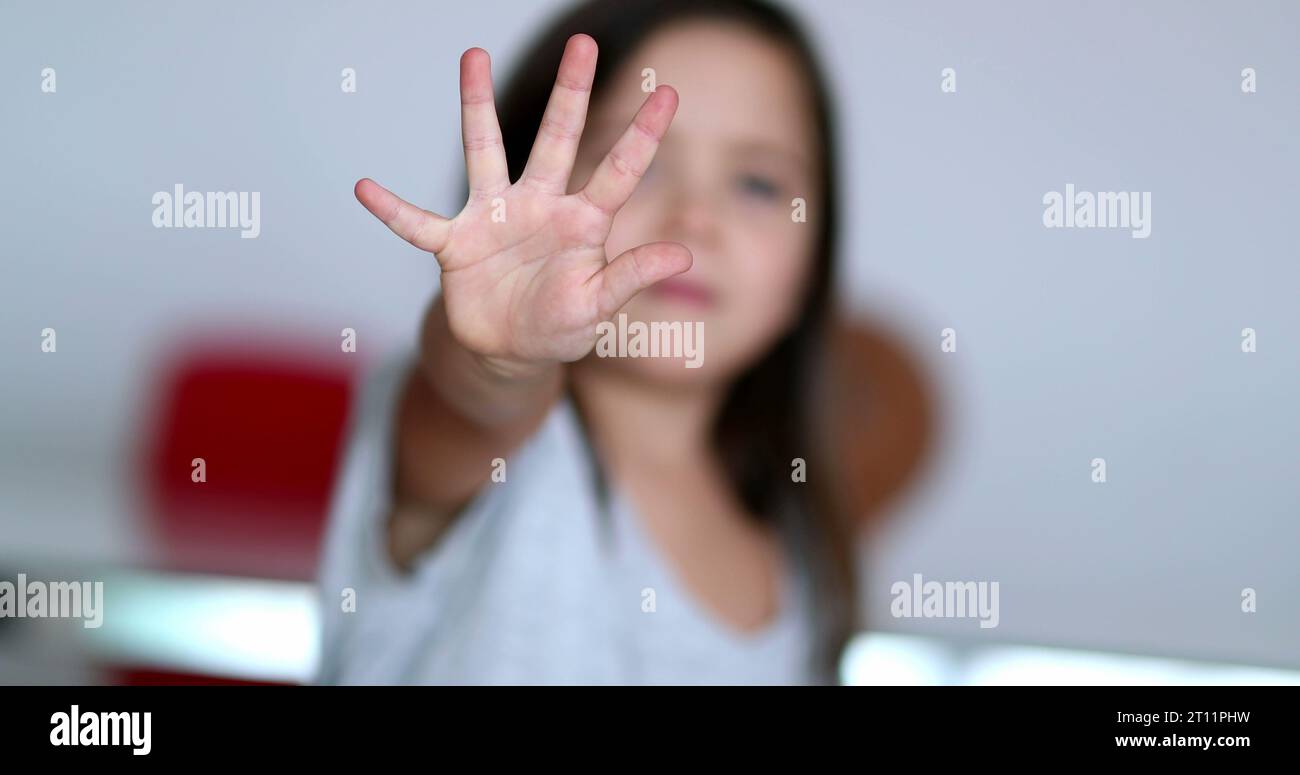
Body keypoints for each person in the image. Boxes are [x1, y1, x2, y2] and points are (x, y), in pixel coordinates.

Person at [317, 0, 858, 684]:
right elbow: (475, 397)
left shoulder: (798, 536)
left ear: (813, 261)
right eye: (640, 163)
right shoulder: (507, 453)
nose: (696, 218)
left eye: (757, 183)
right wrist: (503, 352)